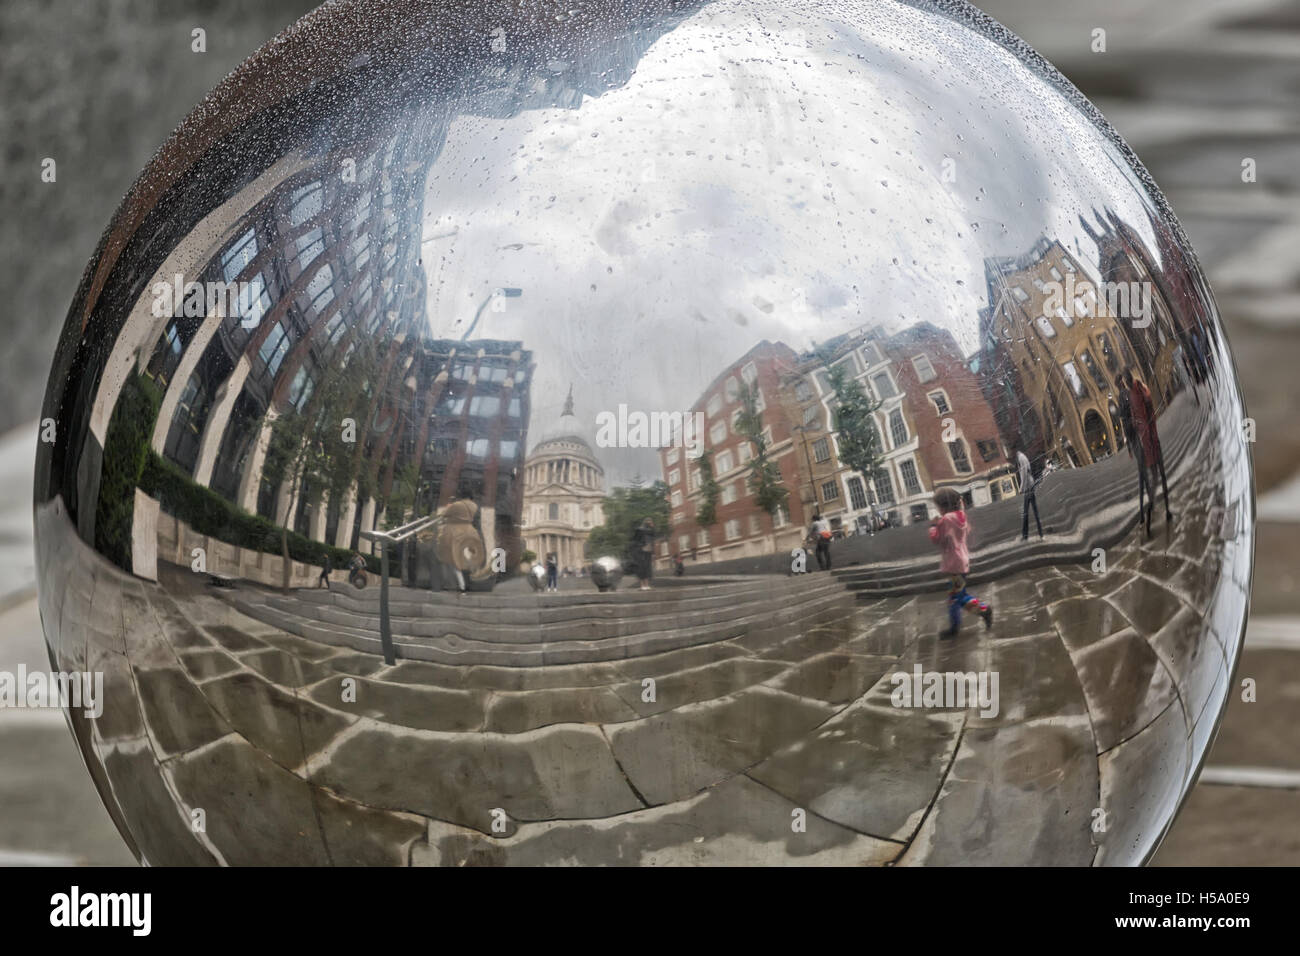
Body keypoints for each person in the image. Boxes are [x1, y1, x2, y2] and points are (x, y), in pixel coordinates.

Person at [929, 488, 992, 639]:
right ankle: (980, 612)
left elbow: (938, 539)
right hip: (962, 560)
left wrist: (933, 527)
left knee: (956, 597)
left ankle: (978, 613)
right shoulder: (960, 515)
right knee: (958, 595)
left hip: (953, 563)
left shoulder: (946, 519)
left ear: (942, 506)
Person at [1129, 370, 1174, 537]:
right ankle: (1155, 515)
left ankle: (1152, 517)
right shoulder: (1142, 392)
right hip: (1152, 443)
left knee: (1155, 481)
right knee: (1158, 479)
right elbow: (1146, 420)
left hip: (1149, 444)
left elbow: (1140, 423)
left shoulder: (1136, 396)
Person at [1016, 448, 1043, 541]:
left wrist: (1021, 488)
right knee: (1032, 512)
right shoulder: (1023, 457)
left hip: (1028, 488)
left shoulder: (1020, 458)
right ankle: (1040, 534)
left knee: (1026, 513)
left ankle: (1025, 536)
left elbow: (1023, 474)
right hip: (1030, 485)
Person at [631, 518, 656, 590]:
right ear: (645, 522)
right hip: (640, 551)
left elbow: (652, 540)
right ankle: (642, 585)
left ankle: (647, 585)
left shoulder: (651, 531)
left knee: (647, 568)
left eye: (651, 521)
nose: (650, 523)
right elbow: (635, 540)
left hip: (648, 550)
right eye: (649, 521)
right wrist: (640, 548)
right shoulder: (639, 529)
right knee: (641, 567)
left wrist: (652, 552)